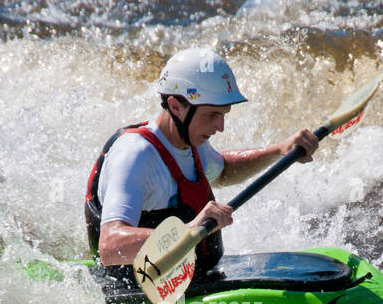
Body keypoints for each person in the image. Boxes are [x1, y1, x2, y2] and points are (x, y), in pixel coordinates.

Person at [84, 47, 319, 284]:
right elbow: (110, 246)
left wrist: (279, 150)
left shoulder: (189, 140)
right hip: (136, 292)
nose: (221, 127)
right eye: (211, 115)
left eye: (224, 114)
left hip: (197, 280)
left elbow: (224, 171)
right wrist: (190, 229)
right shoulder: (135, 155)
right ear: (176, 106)